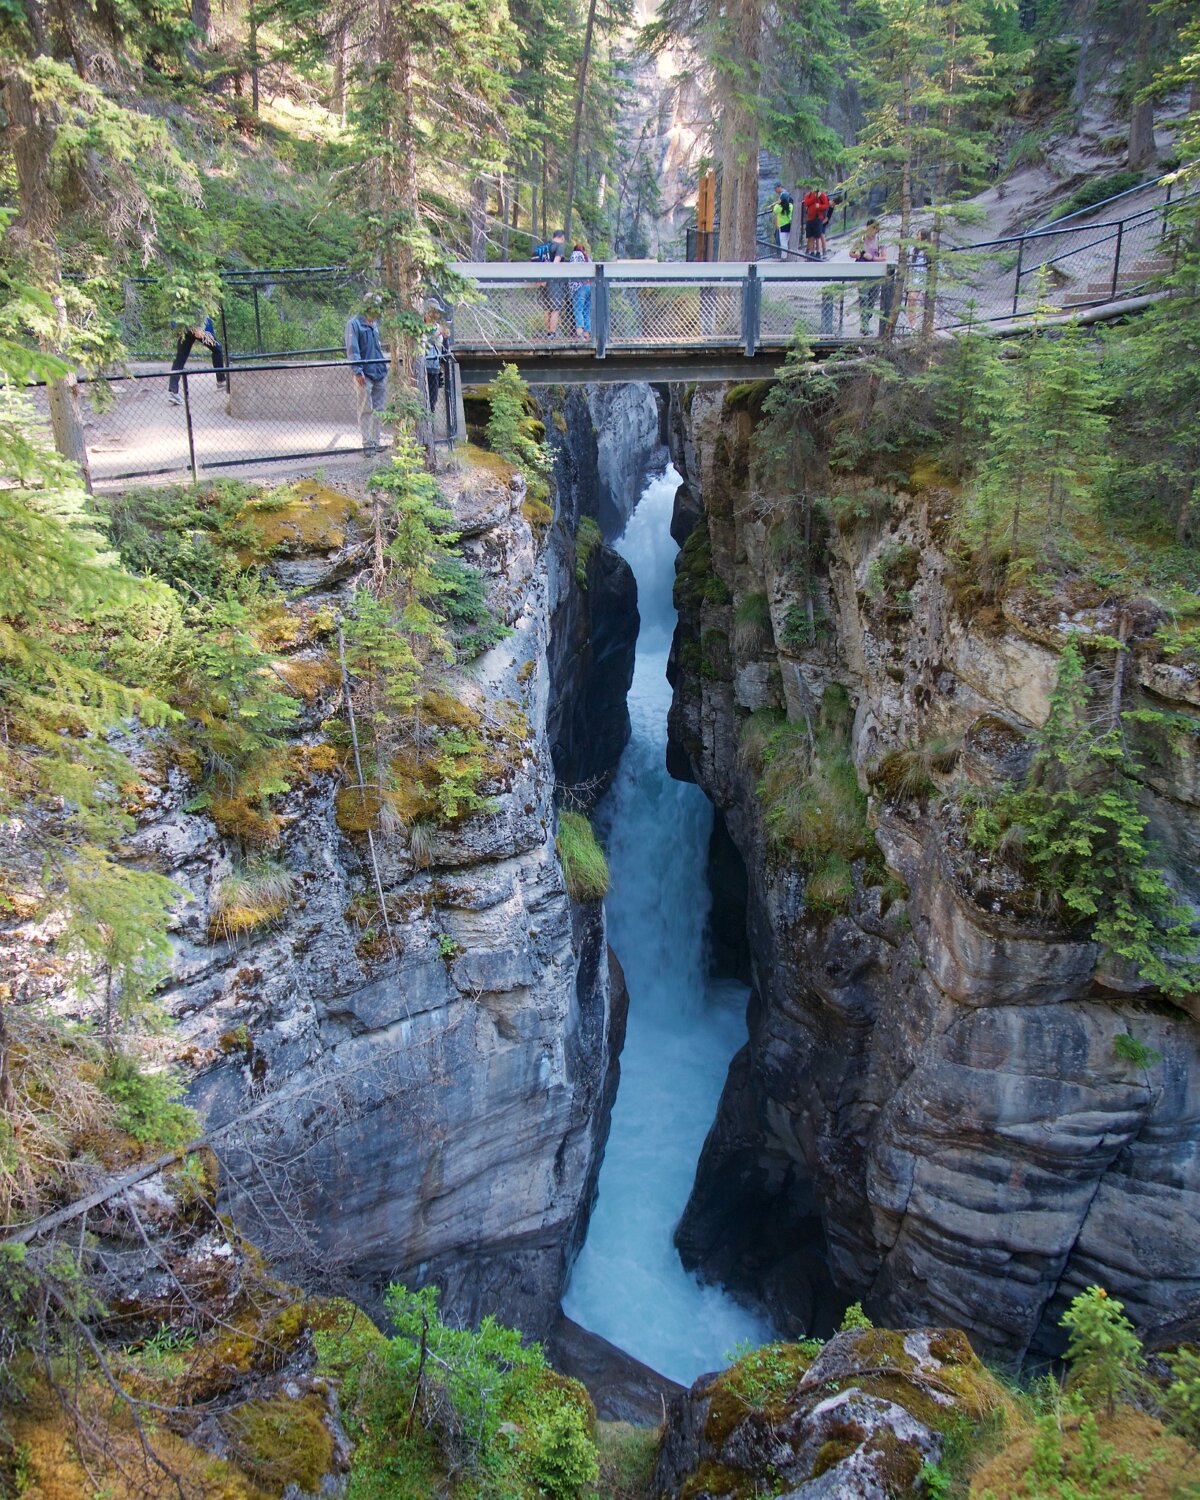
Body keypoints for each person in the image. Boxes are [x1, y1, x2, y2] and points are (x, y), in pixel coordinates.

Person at [344, 292, 389, 452]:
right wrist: (357, 371)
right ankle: (367, 444)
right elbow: (353, 349)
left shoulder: (374, 324)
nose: (379, 311)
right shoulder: (354, 324)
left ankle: (376, 442)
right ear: (369, 307)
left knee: (379, 409)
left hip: (379, 371)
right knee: (365, 409)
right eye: (376, 307)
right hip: (364, 374)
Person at [167, 315, 225, 405]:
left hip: (185, 328)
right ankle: (221, 381)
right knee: (217, 349)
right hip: (196, 327)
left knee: (180, 358)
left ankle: (173, 391)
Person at [852, 220, 887, 334]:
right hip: (862, 272)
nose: (871, 231)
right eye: (869, 228)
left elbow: (884, 257)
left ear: (877, 230)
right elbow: (852, 253)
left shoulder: (879, 241)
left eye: (873, 228)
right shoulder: (861, 239)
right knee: (864, 298)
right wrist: (856, 254)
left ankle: (867, 318)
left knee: (873, 298)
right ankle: (865, 325)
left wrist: (872, 258)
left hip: (875, 274)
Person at [533, 229, 567, 335]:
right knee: (555, 308)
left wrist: (540, 279)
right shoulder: (559, 246)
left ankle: (547, 332)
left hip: (541, 280)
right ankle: (552, 333)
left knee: (547, 308)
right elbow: (555, 263)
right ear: (562, 237)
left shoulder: (541, 248)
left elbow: (533, 263)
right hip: (554, 281)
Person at [905, 229, 930, 331]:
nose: (916, 237)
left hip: (925, 279)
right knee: (911, 301)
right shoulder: (913, 250)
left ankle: (928, 326)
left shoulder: (929, 250)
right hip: (915, 279)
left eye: (918, 235)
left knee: (927, 304)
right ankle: (912, 326)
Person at [568, 240, 592, 339]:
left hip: (579, 286)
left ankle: (579, 332)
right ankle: (587, 332)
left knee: (578, 309)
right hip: (589, 286)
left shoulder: (575, 255)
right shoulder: (587, 258)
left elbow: (572, 271)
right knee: (586, 310)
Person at [803, 187, 830, 258]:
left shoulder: (822, 195)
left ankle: (818, 252)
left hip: (818, 218)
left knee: (818, 236)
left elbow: (826, 205)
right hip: (809, 218)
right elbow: (806, 203)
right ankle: (812, 252)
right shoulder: (808, 195)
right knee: (810, 236)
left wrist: (819, 206)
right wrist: (815, 198)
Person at [772, 184, 795, 259]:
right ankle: (787, 255)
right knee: (787, 240)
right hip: (789, 224)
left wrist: (777, 203)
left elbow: (775, 209)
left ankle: (784, 256)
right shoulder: (790, 206)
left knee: (783, 242)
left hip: (782, 225)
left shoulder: (779, 208)